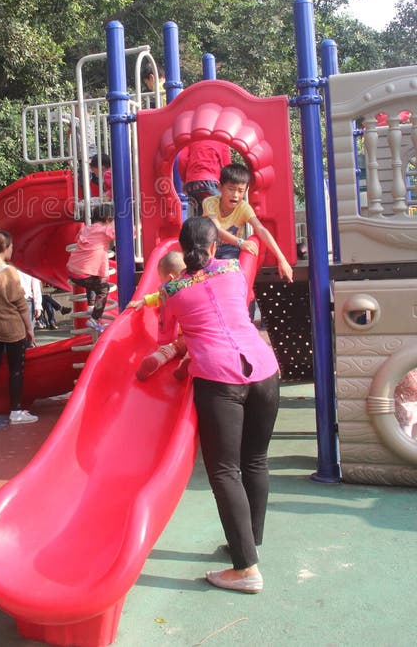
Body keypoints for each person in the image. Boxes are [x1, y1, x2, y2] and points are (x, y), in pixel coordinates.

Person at [159, 216, 280, 594]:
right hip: (264, 371)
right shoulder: (231, 271)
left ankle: (246, 569)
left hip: (220, 378)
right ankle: (250, 541)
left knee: (225, 472)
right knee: (254, 460)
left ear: (182, 250)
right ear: (214, 247)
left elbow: (165, 332)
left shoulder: (173, 291)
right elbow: (242, 256)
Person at [0, 205, 38, 424]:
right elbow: (21, 304)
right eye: (11, 247)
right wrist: (29, 329)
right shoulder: (9, 272)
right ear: (7, 248)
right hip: (12, 329)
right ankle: (16, 411)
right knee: (15, 370)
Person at [203, 163, 294, 282]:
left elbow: (261, 229)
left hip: (230, 249)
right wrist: (241, 242)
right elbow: (217, 229)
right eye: (230, 189)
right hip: (208, 246)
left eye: (240, 191)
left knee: (230, 268)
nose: (235, 195)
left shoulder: (243, 208)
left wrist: (282, 259)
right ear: (220, 187)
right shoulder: (209, 202)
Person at [127, 251, 188, 380]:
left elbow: (159, 297)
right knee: (196, 350)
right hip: (194, 338)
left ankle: (157, 358)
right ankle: (187, 362)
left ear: (171, 277)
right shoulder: (195, 284)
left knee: (169, 348)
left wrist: (143, 301)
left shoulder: (168, 291)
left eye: (161, 278)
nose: (160, 282)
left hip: (178, 339)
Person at [66, 202, 115, 334]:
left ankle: (91, 305)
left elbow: (78, 239)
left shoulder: (86, 228)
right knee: (104, 289)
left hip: (71, 271)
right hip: (84, 274)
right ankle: (94, 318)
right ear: (107, 219)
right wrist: (138, 226)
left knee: (94, 279)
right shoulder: (106, 229)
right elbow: (124, 233)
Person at [177, 140, 232, 215]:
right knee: (220, 214)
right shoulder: (221, 141)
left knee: (197, 216)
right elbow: (227, 167)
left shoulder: (191, 140)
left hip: (191, 184)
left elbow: (182, 160)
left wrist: (185, 181)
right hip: (210, 181)